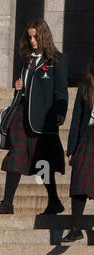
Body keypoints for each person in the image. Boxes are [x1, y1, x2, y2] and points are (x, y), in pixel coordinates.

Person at [0, 20, 68, 216]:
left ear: (44, 35)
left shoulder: (56, 60)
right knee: (16, 154)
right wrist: (18, 87)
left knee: (43, 161)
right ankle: (8, 202)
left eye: (35, 36)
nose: (32, 41)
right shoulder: (27, 59)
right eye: (30, 37)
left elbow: (61, 92)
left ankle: (54, 201)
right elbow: (26, 85)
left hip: (42, 120)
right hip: (20, 114)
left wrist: (61, 112)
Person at [62, 60, 94, 244]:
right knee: (79, 184)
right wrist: (71, 149)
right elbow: (76, 120)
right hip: (86, 138)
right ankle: (75, 229)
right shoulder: (85, 87)